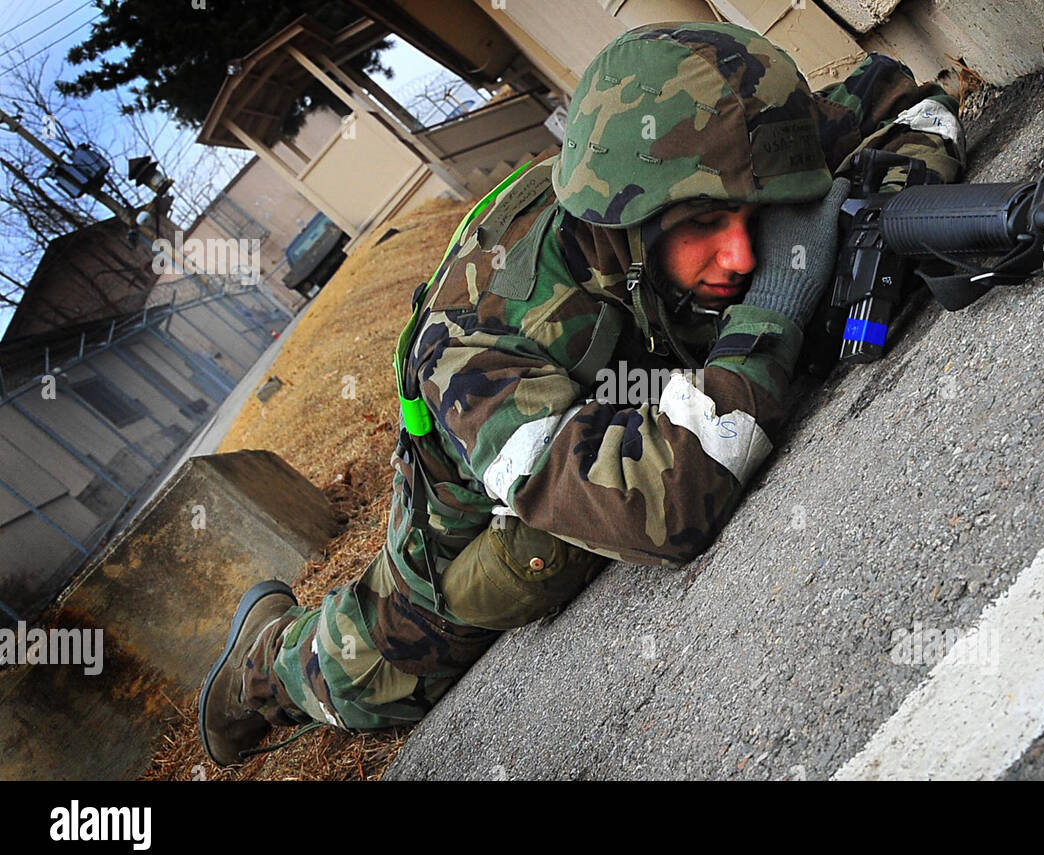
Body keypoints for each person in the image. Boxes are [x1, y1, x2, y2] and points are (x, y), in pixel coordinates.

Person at [199, 20, 966, 766]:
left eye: (755, 217)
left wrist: (873, 211)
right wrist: (772, 314)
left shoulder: (703, 150)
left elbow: (907, 101)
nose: (739, 251)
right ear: (622, 217)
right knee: (395, 662)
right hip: (473, 506)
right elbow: (661, 510)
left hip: (633, 390)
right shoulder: (477, 339)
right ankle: (264, 665)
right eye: (703, 223)